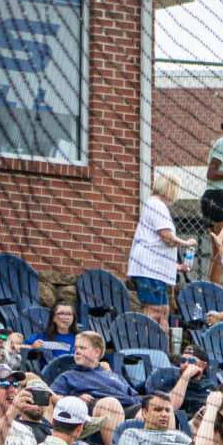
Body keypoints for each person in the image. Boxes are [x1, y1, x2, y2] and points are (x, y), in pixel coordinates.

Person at [126, 171, 196, 333]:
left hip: (157, 270)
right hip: (149, 269)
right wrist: (186, 243)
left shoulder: (156, 205)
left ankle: (163, 351)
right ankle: (146, 348)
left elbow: (158, 242)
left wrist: (175, 266)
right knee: (153, 311)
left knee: (164, 311)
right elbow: (166, 237)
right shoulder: (156, 205)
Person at [49, 332, 138, 428]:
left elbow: (136, 397)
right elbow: (54, 398)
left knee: (149, 408)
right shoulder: (68, 376)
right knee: (111, 404)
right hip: (96, 411)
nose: (77, 351)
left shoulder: (114, 376)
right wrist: (76, 400)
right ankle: (113, 443)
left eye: (82, 348)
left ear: (97, 352)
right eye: (76, 348)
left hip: (126, 408)